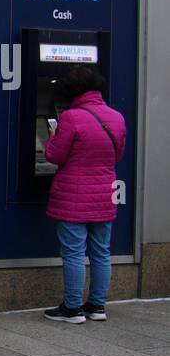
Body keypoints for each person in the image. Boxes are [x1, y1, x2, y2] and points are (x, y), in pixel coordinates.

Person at [42, 66, 126, 323]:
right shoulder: (116, 117)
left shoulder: (71, 117)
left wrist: (52, 137)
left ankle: (73, 307)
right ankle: (97, 306)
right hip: (105, 192)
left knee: (74, 252)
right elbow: (117, 156)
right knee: (101, 250)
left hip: (74, 195)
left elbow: (54, 155)